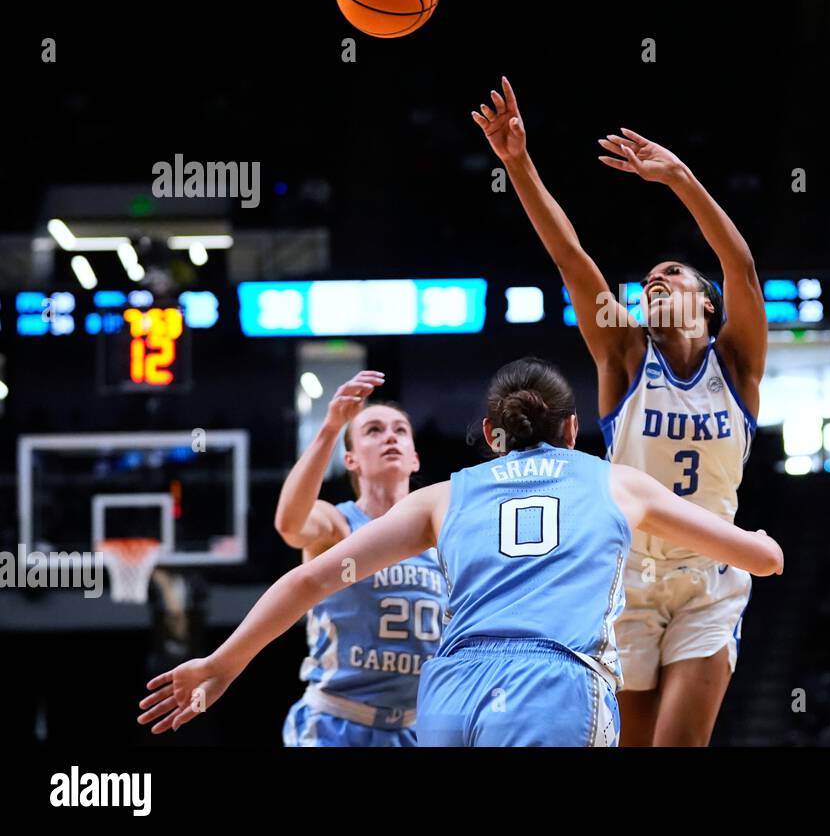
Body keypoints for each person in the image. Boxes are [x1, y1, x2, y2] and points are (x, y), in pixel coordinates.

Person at [138, 357, 783, 747]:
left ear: (489, 436)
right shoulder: (615, 479)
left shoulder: (442, 498)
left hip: (448, 692)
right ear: (570, 430)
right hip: (550, 682)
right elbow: (759, 560)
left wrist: (225, 661)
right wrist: (762, 544)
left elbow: (306, 584)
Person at [473, 77, 768, 746]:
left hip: (706, 576)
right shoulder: (624, 357)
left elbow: (742, 267)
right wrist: (518, 163)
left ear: (707, 302)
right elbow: (571, 259)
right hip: (626, 577)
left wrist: (681, 179)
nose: (654, 281)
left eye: (671, 274)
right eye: (647, 281)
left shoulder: (739, 365)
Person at [273, 370, 446, 746]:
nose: (390, 437)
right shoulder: (337, 525)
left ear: (415, 458)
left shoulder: (441, 534)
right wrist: (330, 428)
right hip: (337, 724)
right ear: (350, 460)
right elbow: (289, 523)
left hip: (417, 728)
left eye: (400, 430)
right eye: (374, 430)